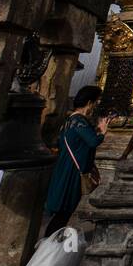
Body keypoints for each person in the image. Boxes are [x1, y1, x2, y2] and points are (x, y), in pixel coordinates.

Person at [43, 86, 107, 237]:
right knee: (63, 213)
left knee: (61, 215)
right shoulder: (80, 121)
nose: (96, 105)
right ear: (90, 103)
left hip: (64, 167)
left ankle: (48, 244)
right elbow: (92, 141)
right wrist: (102, 132)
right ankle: (47, 247)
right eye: (96, 102)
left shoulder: (70, 121)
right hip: (71, 172)